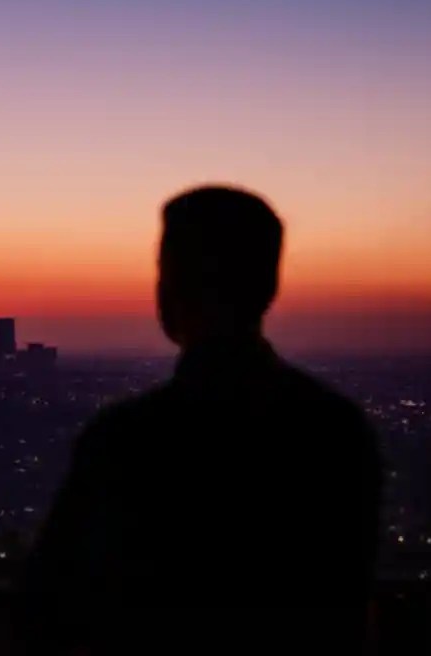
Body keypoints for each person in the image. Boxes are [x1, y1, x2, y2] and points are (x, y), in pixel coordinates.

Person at [21, 186, 382, 654]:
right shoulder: (337, 432)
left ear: (170, 289)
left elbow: (50, 604)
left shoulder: (124, 442)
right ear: (269, 287)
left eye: (164, 271)